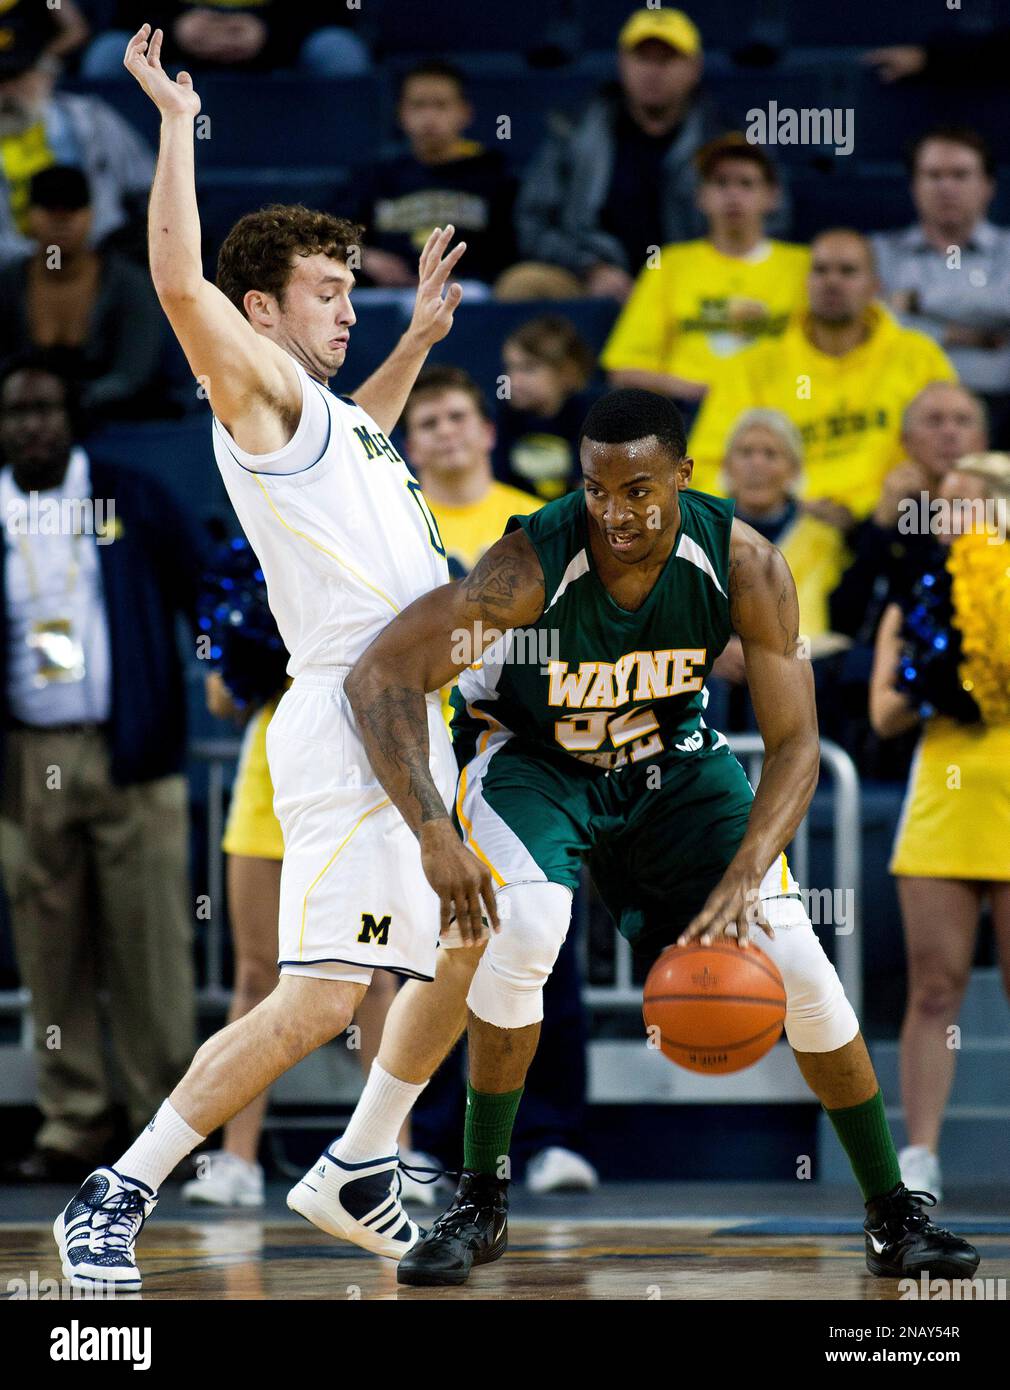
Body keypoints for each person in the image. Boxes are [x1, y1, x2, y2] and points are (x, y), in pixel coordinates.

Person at [312, 386, 979, 1288]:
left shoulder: (745, 564)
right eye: (596, 490)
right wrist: (433, 828)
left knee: (799, 957)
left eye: (638, 491)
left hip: (676, 771)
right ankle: (482, 1198)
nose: (615, 513)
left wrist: (748, 873)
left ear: (684, 476)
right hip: (538, 764)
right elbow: (380, 677)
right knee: (530, 927)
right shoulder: (528, 568)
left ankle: (891, 1211)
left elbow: (795, 746)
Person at [52, 23, 467, 1291]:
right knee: (316, 999)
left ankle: (362, 1158)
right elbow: (177, 282)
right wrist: (177, 126)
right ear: (262, 313)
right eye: (328, 295)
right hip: (354, 725)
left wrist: (410, 347)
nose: (350, 308)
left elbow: (360, 442)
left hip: (406, 723)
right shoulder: (258, 391)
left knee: (466, 949)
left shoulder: (328, 419)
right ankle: (119, 1187)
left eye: (354, 290)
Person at [0, 350, 202, 1182]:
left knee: (153, 946)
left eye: (46, 408)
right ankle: (73, 1122)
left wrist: (232, 666)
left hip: (133, 753)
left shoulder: (129, 495)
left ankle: (170, 1125)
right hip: (24, 760)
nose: (32, 425)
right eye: (14, 412)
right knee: (50, 950)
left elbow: (206, 586)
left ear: (73, 416)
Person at [401, 364, 598, 1192]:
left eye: (458, 416)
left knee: (545, 940)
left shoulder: (538, 518)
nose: (445, 432)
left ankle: (548, 1137)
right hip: (429, 753)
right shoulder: (396, 520)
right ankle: (437, 1142)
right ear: (409, 447)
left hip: (531, 752)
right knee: (446, 949)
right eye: (428, 423)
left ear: (488, 430)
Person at [869, 451, 1010, 1200]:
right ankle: (919, 1155)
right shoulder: (914, 601)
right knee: (934, 986)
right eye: (941, 506)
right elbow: (883, 712)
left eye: (962, 505)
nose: (945, 519)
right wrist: (943, 677)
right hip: (944, 803)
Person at [688, 229, 957, 528]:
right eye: (820, 270)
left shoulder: (919, 356)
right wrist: (782, 504)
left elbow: (956, 445)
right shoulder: (753, 366)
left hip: (895, 521)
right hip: (784, 527)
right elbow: (705, 470)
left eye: (848, 271)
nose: (832, 281)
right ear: (805, 283)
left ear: (875, 286)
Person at [508, 8, 728, 302]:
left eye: (667, 59)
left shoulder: (725, 140)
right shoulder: (574, 131)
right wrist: (591, 268)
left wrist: (689, 271)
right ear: (622, 63)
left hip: (696, 283)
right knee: (522, 285)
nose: (653, 70)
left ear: (695, 68)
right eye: (643, 58)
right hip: (593, 285)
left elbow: (768, 221)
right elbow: (532, 221)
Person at [602, 134, 808, 407]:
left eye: (746, 183)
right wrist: (693, 390)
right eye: (721, 183)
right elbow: (623, 370)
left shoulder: (807, 266)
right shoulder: (669, 264)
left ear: (772, 197)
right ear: (701, 197)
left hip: (780, 415)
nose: (733, 194)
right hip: (688, 414)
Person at [709, 409, 850, 727]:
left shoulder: (823, 537)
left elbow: (817, 625)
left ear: (793, 470)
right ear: (728, 466)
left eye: (771, 454)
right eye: (745, 452)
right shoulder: (695, 533)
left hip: (799, 661)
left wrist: (760, 653)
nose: (756, 463)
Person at [871, 128, 1010, 445]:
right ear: (914, 186)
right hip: (907, 413)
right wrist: (959, 334)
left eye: (960, 175)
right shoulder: (879, 254)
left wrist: (919, 301)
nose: (947, 187)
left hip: (1003, 407)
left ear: (987, 186)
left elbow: (1004, 303)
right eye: (933, 175)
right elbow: (875, 325)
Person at [0, 165, 165, 420]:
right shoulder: (8, 284)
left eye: (72, 209)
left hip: (113, 424)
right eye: (50, 210)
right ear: (28, 216)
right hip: (22, 420)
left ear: (90, 215)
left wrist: (71, 404)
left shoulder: (129, 285)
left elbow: (134, 374)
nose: (61, 220)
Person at [830, 381, 989, 644]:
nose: (949, 432)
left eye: (963, 421)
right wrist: (880, 527)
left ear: (983, 440)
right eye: (934, 421)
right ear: (906, 441)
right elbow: (845, 619)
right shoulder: (889, 518)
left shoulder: (1001, 516)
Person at [354, 62, 517, 294]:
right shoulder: (375, 176)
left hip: (467, 292)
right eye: (418, 106)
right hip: (387, 294)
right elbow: (329, 235)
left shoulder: (494, 176)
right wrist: (365, 258)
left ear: (465, 113)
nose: (429, 117)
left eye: (441, 105)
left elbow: (510, 250)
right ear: (401, 113)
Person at [0, 48, 154, 266]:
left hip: (102, 260)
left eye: (15, 78)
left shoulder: (91, 119)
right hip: (8, 271)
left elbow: (149, 185)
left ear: (46, 76)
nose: (6, 91)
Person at [82, 2, 370, 78]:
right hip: (172, 44)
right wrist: (176, 30)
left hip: (280, 45)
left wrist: (269, 34)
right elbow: (124, 11)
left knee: (340, 52)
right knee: (106, 55)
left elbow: (332, 11)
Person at [496, 317, 600, 502]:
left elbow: (588, 489)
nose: (513, 379)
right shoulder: (504, 417)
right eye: (510, 367)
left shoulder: (588, 417)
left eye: (528, 368)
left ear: (566, 372)